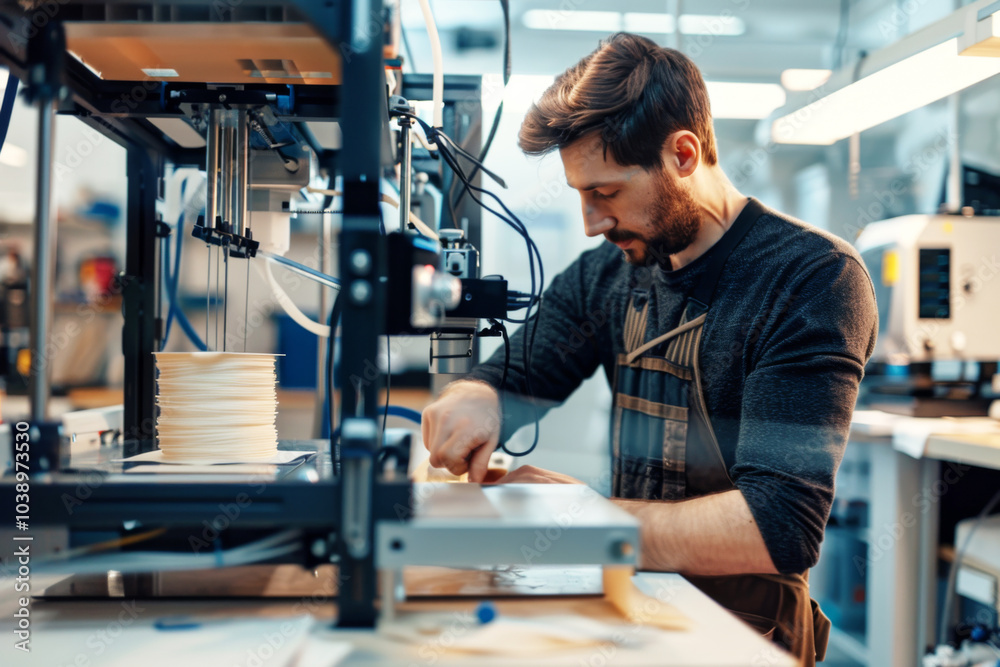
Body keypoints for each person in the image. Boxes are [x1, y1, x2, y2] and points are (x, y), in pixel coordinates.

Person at [421, 32, 877, 666]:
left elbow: (778, 525)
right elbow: (518, 377)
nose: (591, 222)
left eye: (604, 193)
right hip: (631, 610)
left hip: (746, 635)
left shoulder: (809, 278)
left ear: (683, 155)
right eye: (581, 195)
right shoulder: (607, 276)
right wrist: (476, 400)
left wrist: (587, 523)